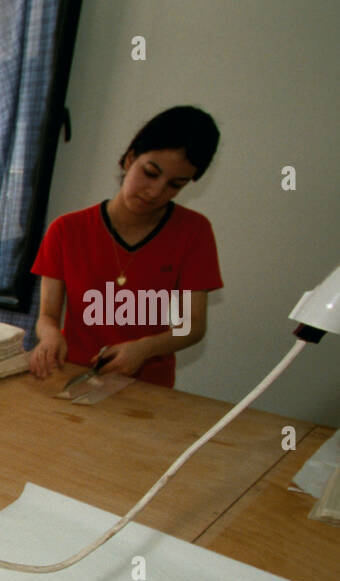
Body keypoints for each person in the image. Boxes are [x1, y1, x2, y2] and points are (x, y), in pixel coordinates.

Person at [28, 106, 223, 387]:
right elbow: (48, 314)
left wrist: (143, 349)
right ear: (130, 158)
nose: (155, 192)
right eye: (150, 173)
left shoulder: (194, 231)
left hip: (147, 385)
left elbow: (192, 326)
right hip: (73, 375)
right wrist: (49, 336)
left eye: (175, 185)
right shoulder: (66, 230)